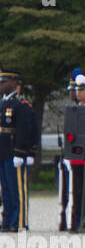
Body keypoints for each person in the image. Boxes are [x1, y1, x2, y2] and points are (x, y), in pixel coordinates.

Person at [59, 73, 85, 231]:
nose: (77, 92)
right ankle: (77, 221)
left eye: (81, 89)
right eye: (77, 89)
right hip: (77, 158)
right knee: (76, 192)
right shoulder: (76, 110)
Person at [0, 69, 38, 232]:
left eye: (4, 81)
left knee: (17, 190)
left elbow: (25, 130)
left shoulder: (20, 105)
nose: (1, 84)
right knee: (6, 190)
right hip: (2, 152)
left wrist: (22, 152)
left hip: (13, 152)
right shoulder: (3, 103)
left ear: (14, 84)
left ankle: (19, 221)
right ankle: (8, 220)